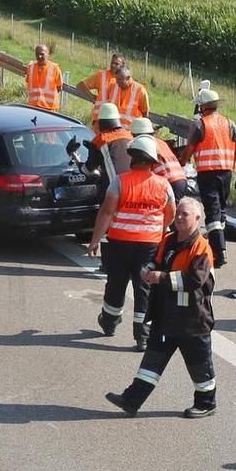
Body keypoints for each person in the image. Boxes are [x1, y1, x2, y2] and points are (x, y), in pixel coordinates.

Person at [105, 197, 218, 418]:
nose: (178, 218)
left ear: (197, 218)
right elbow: (155, 261)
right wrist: (147, 271)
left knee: (199, 365)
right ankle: (131, 400)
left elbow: (194, 280)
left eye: (184, 214)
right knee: (151, 361)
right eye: (177, 214)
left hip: (193, 321)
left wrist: (161, 278)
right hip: (166, 317)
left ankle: (206, 403)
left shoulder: (201, 247)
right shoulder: (168, 240)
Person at [88, 137, 177, 349]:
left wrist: (94, 240)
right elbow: (170, 214)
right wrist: (159, 230)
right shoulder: (163, 185)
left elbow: (107, 212)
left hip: (119, 244)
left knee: (116, 284)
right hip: (150, 246)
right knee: (144, 288)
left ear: (133, 158)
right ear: (153, 161)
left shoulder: (120, 181)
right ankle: (142, 336)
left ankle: (109, 322)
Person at [181, 83, 236, 268]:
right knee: (221, 211)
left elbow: (189, 149)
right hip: (226, 173)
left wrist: (182, 164)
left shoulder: (200, 124)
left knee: (212, 214)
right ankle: (216, 244)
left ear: (202, 106)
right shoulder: (230, 123)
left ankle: (219, 252)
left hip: (207, 174)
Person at [130, 116, 194, 198]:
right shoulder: (161, 142)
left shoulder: (145, 145)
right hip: (181, 180)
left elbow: (141, 169)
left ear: (135, 134)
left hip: (167, 183)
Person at [88, 102, 133, 188]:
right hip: (134, 187)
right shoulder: (130, 136)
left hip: (116, 190)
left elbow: (88, 170)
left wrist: (79, 163)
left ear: (100, 122)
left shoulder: (100, 140)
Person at [25, 43, 65, 111]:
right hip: (33, 106)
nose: (39, 56)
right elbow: (28, 82)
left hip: (49, 108)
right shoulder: (31, 67)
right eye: (37, 54)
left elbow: (59, 87)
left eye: (42, 54)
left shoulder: (55, 68)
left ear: (48, 54)